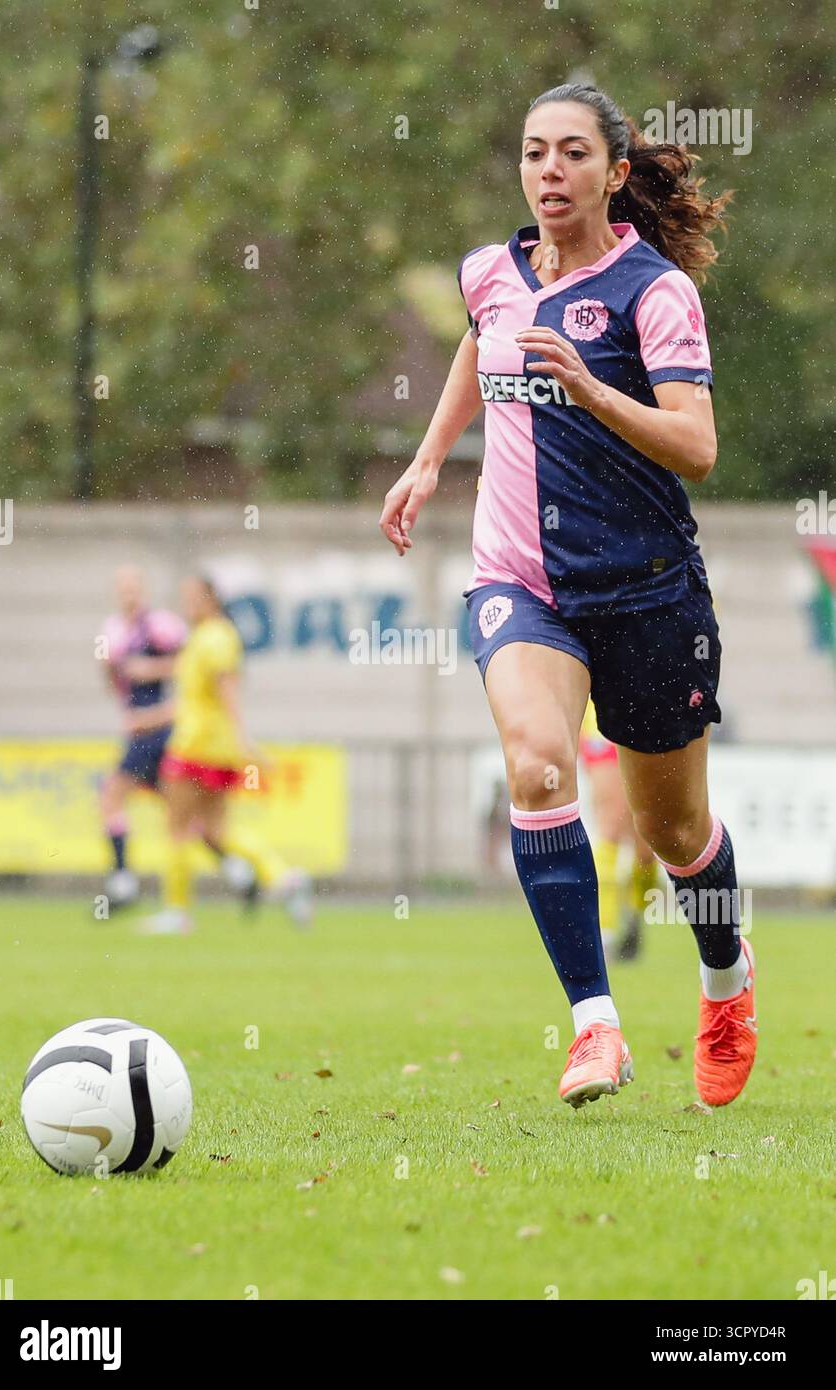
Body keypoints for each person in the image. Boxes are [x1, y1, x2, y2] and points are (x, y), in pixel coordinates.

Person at [379, 83, 753, 1110]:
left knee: (674, 833)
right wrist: (425, 460)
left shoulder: (654, 291)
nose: (548, 171)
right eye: (534, 152)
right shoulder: (487, 274)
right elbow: (478, 340)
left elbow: (698, 447)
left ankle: (725, 979)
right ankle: (595, 1027)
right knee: (538, 765)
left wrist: (591, 389)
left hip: (643, 593)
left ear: (613, 174)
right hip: (520, 583)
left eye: (572, 154)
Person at [138, 575, 313, 934]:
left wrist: (244, 738)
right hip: (215, 746)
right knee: (216, 831)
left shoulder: (215, 637)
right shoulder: (206, 637)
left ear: (211, 599)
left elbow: (226, 691)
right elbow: (193, 697)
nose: (188, 604)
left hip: (196, 745)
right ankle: (284, 877)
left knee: (176, 826)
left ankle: (177, 911)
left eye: (194, 597)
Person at [98, 566, 185, 909]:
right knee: (180, 813)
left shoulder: (161, 625)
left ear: (143, 589)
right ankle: (238, 869)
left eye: (133, 587)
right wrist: (110, 671)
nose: (128, 594)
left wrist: (153, 669)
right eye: (123, 588)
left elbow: (188, 664)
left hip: (156, 730)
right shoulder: (113, 630)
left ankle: (123, 881)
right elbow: (113, 682)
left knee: (112, 796)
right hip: (139, 727)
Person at [579, 698, 657, 962]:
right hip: (603, 715)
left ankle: (635, 916)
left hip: (650, 712)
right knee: (610, 827)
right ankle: (604, 935)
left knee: (648, 844)